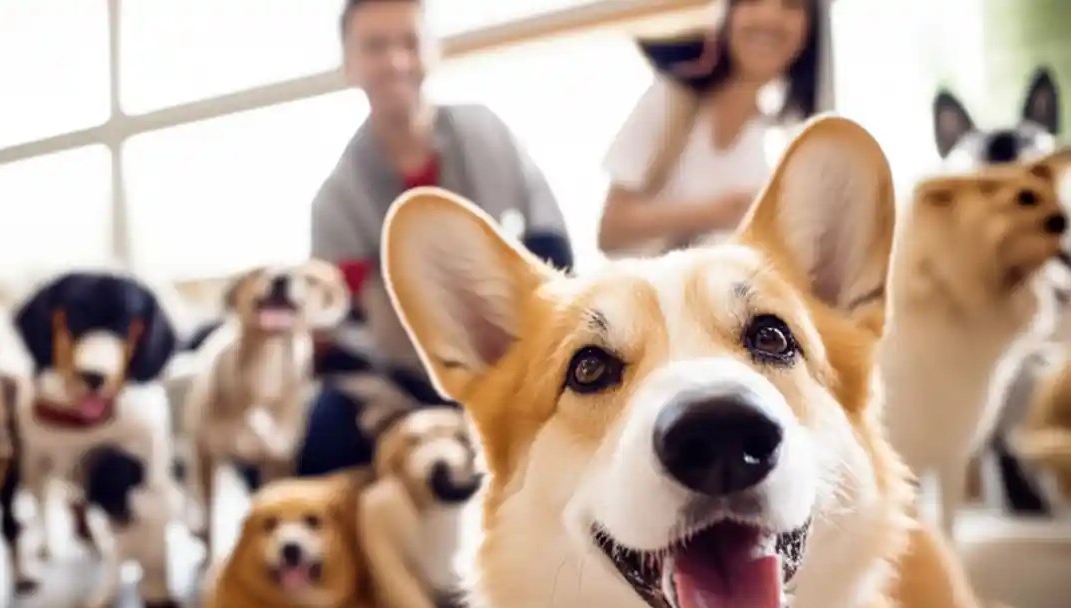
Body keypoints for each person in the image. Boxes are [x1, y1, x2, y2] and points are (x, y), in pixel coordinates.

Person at [292, 0, 573, 478]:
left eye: (409, 42)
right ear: (350, 63)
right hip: (399, 380)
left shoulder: (488, 134)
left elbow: (554, 246)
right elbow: (339, 331)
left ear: (432, 52)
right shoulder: (334, 200)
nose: (395, 61)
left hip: (522, 355)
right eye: (375, 46)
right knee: (321, 435)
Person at [598, 0, 822, 257]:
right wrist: (714, 214)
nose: (768, 15)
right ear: (727, 12)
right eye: (752, 1)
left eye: (792, 5)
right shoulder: (672, 99)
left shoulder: (788, 142)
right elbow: (611, 231)